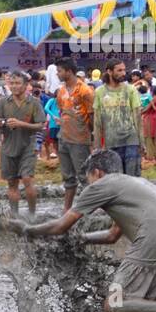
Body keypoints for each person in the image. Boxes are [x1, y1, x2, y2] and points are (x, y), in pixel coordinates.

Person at [12, 149, 156, 312]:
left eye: (88, 180)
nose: (88, 186)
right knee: (143, 303)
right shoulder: (132, 185)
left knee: (114, 304)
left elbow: (61, 226)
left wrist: (28, 229)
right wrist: (78, 239)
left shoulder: (102, 185)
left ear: (97, 172)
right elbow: (112, 235)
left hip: (152, 241)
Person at [0, 71, 47, 217]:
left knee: (27, 179)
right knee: (12, 183)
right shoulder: (3, 102)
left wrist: (21, 124)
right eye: (12, 83)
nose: (14, 86)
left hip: (28, 146)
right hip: (8, 146)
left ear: (25, 85)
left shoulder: (34, 103)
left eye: (18, 83)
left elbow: (41, 125)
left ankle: (32, 215)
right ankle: (15, 215)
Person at [52, 58, 94, 212]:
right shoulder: (61, 91)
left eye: (59, 71)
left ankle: (93, 210)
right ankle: (66, 210)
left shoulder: (85, 90)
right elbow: (62, 111)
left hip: (79, 139)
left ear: (69, 71)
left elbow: (92, 116)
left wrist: (91, 137)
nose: (57, 74)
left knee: (84, 176)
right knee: (68, 177)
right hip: (63, 137)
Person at [93, 61, 144, 176]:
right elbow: (97, 122)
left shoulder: (130, 90)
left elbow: (137, 117)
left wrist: (142, 142)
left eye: (124, 70)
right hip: (111, 143)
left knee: (132, 179)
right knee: (115, 180)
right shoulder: (100, 92)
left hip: (131, 140)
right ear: (109, 71)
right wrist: (97, 148)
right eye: (119, 70)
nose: (123, 73)